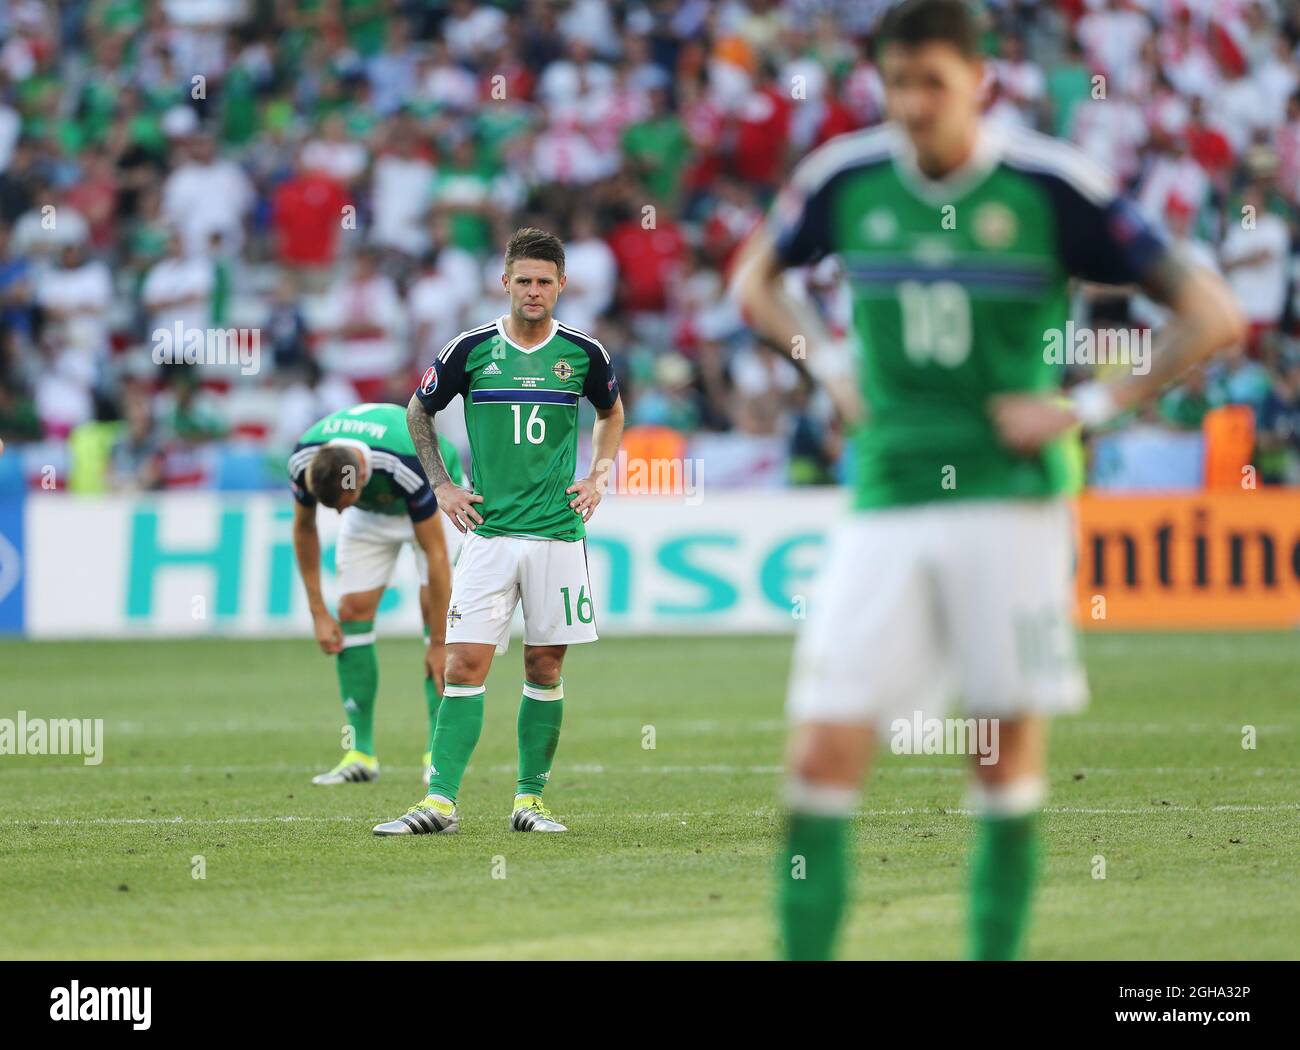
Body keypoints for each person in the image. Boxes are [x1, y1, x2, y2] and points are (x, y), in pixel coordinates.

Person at [731, 0, 1246, 960]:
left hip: (1011, 501)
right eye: (898, 84)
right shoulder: (846, 179)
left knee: (1000, 762)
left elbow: (1212, 313)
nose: (915, 104)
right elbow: (753, 279)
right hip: (886, 492)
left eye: (934, 83)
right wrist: (831, 368)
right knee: (819, 751)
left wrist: (1086, 407)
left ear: (981, 84)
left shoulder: (1050, 187)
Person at [373, 226, 624, 835]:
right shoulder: (472, 349)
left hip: (558, 536)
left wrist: (599, 476)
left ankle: (529, 802)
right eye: (523, 280)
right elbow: (418, 410)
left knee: (544, 668)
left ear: (562, 284)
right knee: (463, 664)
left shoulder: (585, 354)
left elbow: (612, 413)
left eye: (544, 281)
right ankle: (439, 803)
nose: (533, 291)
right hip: (489, 536)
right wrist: (441, 485)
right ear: (503, 282)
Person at [289, 402, 463, 788]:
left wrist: (438, 643)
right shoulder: (305, 459)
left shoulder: (405, 459)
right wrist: (318, 611)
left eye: (342, 505)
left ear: (361, 474)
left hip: (439, 494)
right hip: (371, 514)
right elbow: (304, 529)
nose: (335, 515)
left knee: (432, 609)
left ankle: (436, 755)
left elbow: (435, 554)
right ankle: (360, 753)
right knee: (351, 611)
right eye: (331, 507)